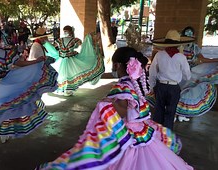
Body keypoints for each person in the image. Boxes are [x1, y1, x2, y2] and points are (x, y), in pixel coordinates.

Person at [37, 47, 192, 170]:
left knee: (102, 156)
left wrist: (106, 105)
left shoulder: (123, 86)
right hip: (141, 131)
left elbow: (123, 111)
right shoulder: (135, 83)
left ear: (117, 65)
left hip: (129, 134)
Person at [149, 29, 193, 130]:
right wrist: (181, 85)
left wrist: (152, 85)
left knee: (158, 111)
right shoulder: (181, 57)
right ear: (178, 44)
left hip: (161, 86)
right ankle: (167, 137)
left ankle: (156, 135)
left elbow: (152, 71)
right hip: (174, 88)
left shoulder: (159, 55)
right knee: (170, 112)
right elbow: (187, 75)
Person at [43, 25, 105, 96]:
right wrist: (89, 40)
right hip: (71, 60)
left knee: (63, 75)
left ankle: (65, 89)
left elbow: (53, 47)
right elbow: (82, 46)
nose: (65, 32)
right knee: (69, 74)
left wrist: (46, 44)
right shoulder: (75, 40)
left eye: (65, 31)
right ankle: (67, 90)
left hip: (62, 59)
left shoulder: (60, 40)